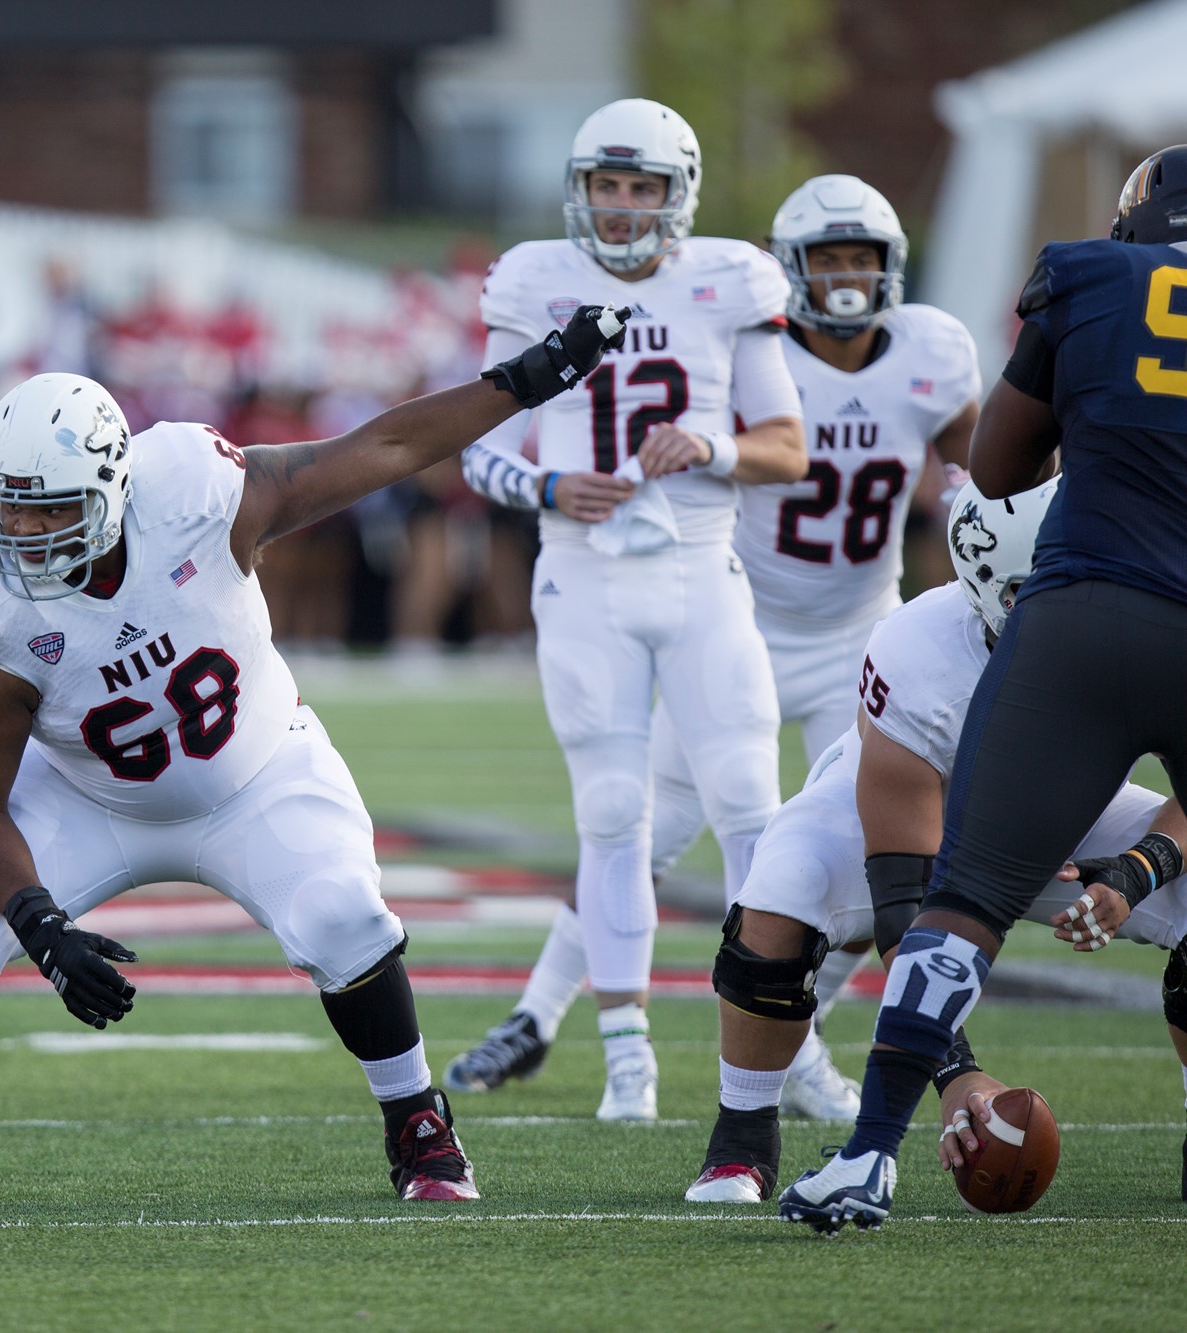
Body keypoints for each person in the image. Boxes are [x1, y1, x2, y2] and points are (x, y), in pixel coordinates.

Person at [0, 308, 628, 1204]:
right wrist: (40, 927)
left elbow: (388, 446)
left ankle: (417, 1120)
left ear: (115, 487)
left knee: (344, 915)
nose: (25, 530)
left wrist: (526, 378)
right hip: (90, 792)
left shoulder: (196, 493)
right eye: (8, 504)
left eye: (50, 506)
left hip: (255, 769)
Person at [446, 175, 981, 1122]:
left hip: (868, 629)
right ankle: (539, 1013)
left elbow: (982, 483)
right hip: (746, 618)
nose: (848, 277)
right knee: (639, 826)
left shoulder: (935, 354)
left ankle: (799, 1036)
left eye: (863, 256)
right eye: (829, 257)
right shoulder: (752, 343)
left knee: (876, 847)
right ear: (790, 271)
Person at [781, 147, 1187, 1232]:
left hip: (1091, 610)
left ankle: (865, 1158)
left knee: (961, 903)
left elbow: (998, 467)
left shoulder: (1085, 274)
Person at [684, 478, 1187, 1201]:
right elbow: (904, 901)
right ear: (993, 589)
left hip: (1065, 818)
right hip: (918, 820)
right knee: (785, 881)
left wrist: (1141, 868)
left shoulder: (1149, 613)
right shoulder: (920, 655)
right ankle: (742, 1136)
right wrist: (955, 1069)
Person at [456, 98, 807, 1120]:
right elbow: (471, 442)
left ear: (673, 194)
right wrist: (544, 488)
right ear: (580, 190)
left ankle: (785, 1048)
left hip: (700, 567)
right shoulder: (533, 280)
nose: (618, 207)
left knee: (751, 802)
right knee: (610, 814)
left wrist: (712, 448)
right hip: (583, 570)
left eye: (639, 187)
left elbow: (785, 447)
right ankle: (626, 1061)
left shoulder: (725, 279)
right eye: (604, 186)